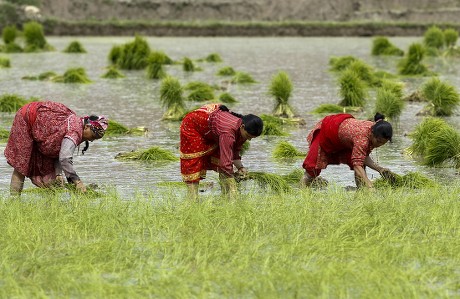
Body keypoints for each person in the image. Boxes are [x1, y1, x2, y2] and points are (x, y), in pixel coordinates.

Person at [4, 100, 108, 195]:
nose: (91, 140)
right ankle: (13, 201)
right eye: (93, 136)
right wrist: (77, 181)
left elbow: (59, 150)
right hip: (26, 118)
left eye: (96, 139)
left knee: (53, 179)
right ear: (87, 127)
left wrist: (58, 173)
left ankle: (50, 209)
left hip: (42, 131)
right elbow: (64, 158)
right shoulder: (75, 132)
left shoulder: (77, 124)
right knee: (21, 167)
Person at [180, 103, 263, 198]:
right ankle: (193, 199)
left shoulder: (242, 131)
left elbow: (234, 151)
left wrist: (240, 168)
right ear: (242, 127)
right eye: (248, 136)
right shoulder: (228, 133)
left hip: (213, 127)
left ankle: (226, 196)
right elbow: (225, 164)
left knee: (222, 158)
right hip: (193, 125)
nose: (249, 140)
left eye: (252, 138)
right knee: (194, 162)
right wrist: (233, 186)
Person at [302, 112, 395, 189]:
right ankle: (300, 193)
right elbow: (357, 165)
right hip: (327, 131)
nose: (379, 145)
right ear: (372, 134)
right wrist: (370, 185)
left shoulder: (375, 128)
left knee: (361, 165)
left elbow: (362, 156)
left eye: (383, 143)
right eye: (378, 141)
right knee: (311, 170)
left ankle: (361, 192)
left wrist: (380, 169)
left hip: (343, 138)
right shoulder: (362, 139)